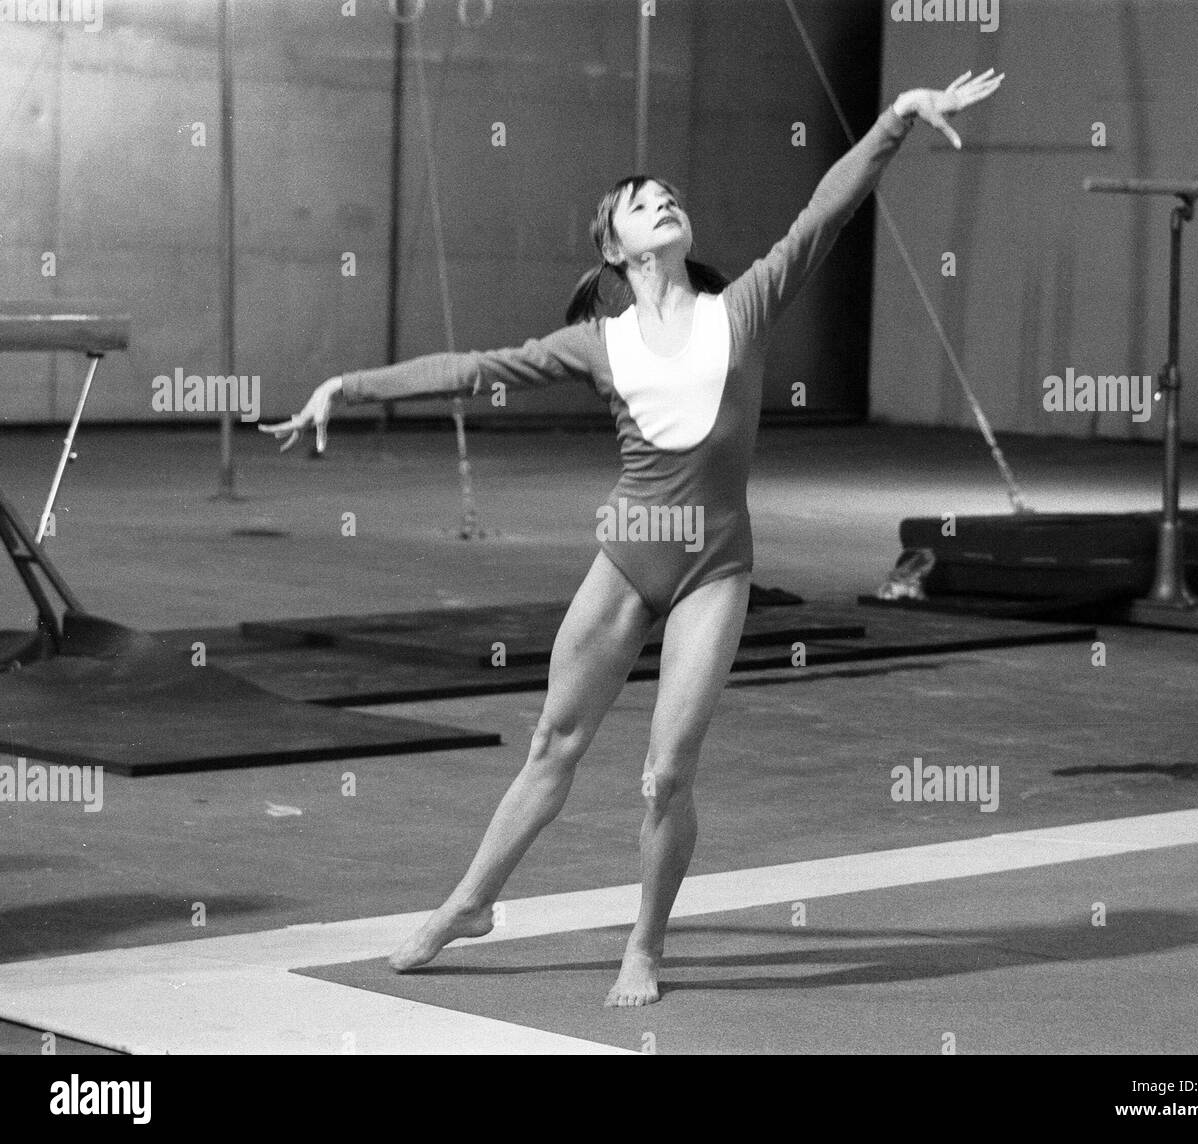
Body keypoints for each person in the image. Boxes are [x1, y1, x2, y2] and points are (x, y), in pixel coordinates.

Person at [262, 69, 1004, 1007]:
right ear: (616, 247)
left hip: (713, 571)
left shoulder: (743, 309)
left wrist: (898, 117)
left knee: (663, 777)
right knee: (551, 745)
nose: (665, 206)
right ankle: (470, 903)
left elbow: (824, 212)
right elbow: (475, 367)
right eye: (642, 205)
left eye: (670, 199)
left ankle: (645, 946)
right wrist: (348, 386)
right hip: (626, 559)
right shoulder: (598, 343)